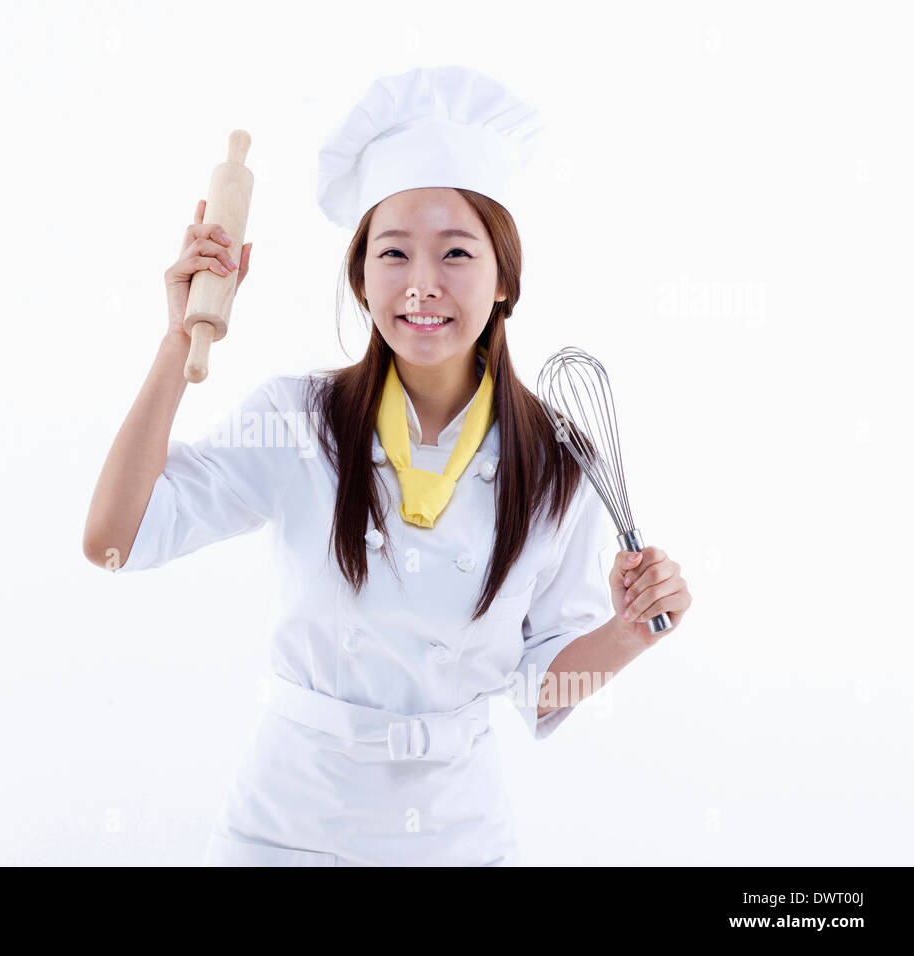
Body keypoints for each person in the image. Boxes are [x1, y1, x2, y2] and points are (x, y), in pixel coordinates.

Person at [83, 66, 692, 866]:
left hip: (455, 837)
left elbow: (542, 692)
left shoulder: (558, 463)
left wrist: (626, 632)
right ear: (362, 280)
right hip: (286, 828)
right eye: (395, 253)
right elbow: (114, 541)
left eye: (457, 253)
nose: (423, 285)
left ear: (505, 278)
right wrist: (177, 343)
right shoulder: (296, 422)